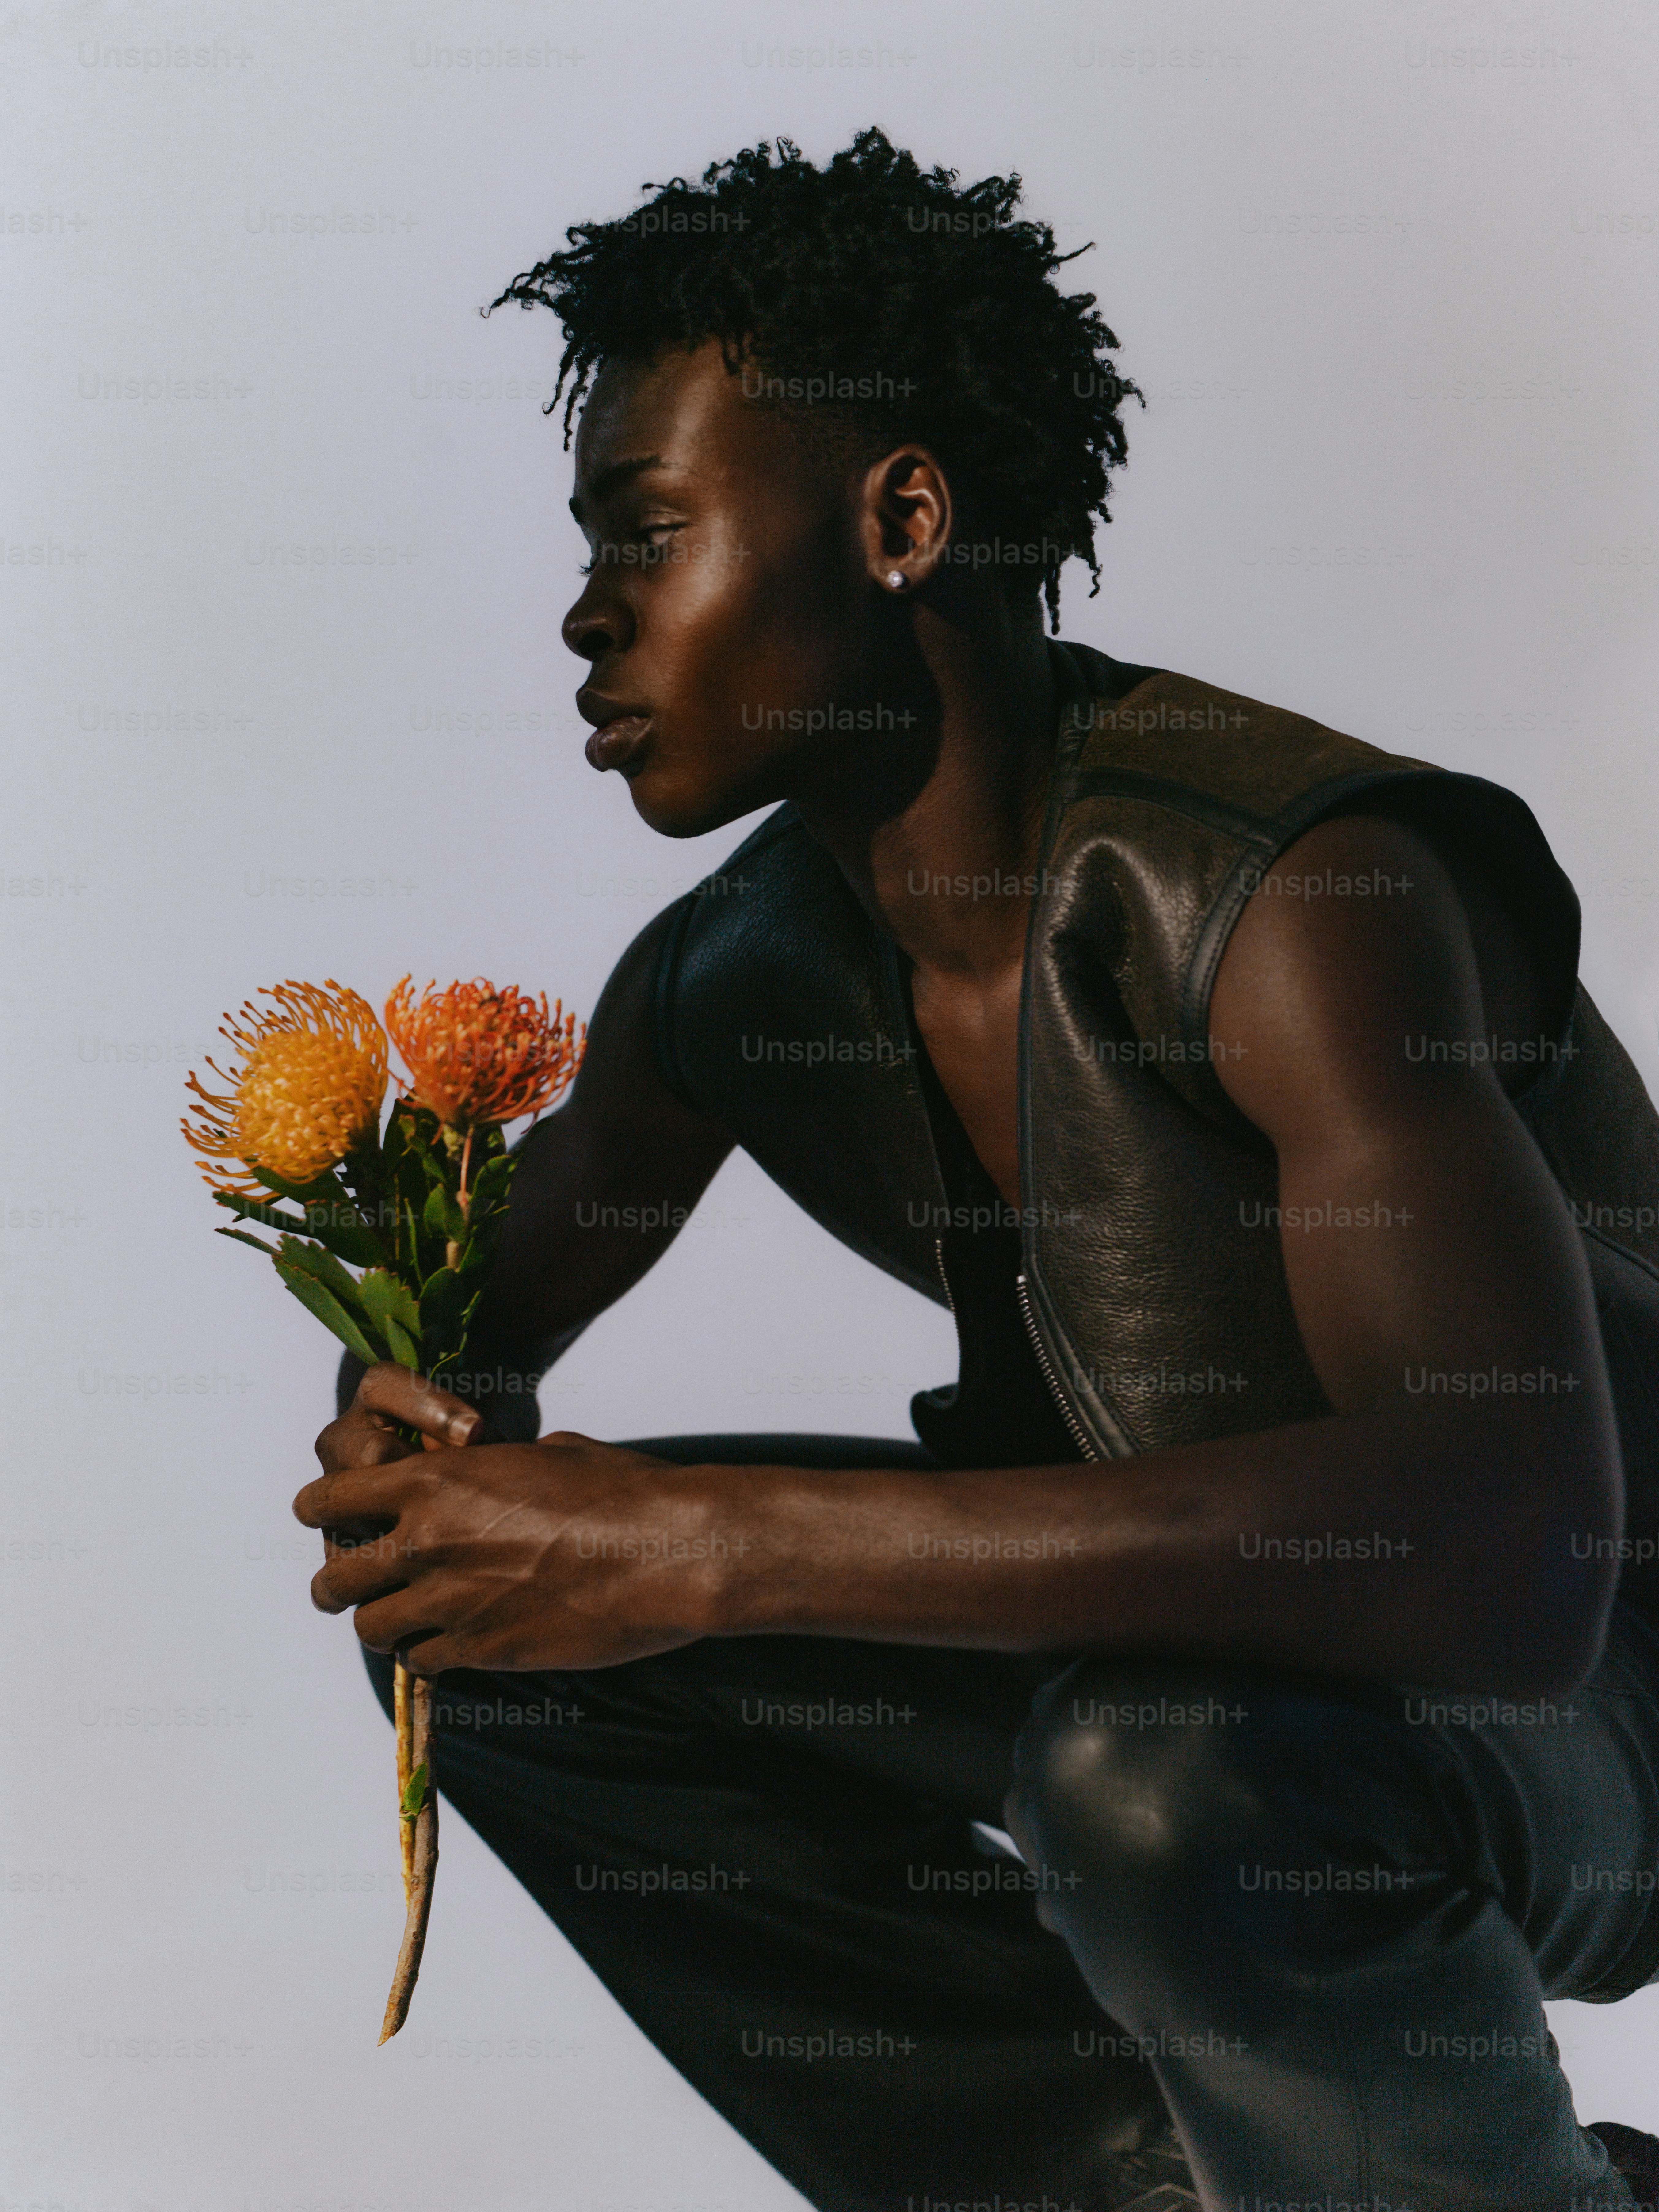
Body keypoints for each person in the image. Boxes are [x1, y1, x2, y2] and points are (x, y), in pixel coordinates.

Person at [296, 132, 1659, 2212]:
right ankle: (1150, 2189)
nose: (587, 613)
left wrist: (718, 1540)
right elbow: (469, 1387)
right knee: (480, 1614)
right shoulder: (736, 977)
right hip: (1185, 1670)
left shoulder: (1286, 892)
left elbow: (1508, 1549)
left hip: (1580, 1712)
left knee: (1155, 1771)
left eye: (650, 533)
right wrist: (424, 1423)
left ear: (902, 518)